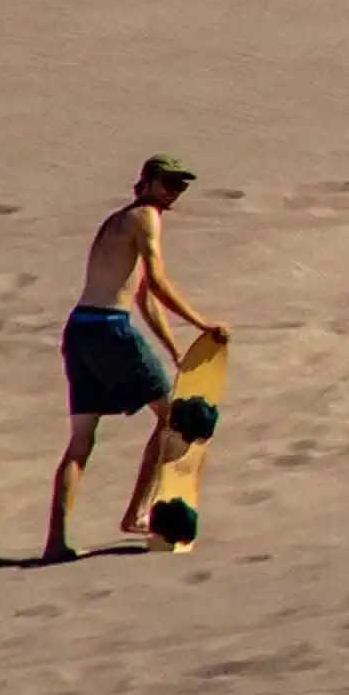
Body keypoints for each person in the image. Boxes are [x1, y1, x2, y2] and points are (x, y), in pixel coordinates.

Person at [43, 155, 227, 562]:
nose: (173, 192)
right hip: (109, 329)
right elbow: (158, 284)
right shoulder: (146, 217)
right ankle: (137, 514)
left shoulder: (117, 222)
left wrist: (176, 348)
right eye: (167, 184)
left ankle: (55, 543)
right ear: (145, 183)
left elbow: (143, 297)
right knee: (173, 418)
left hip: (80, 330)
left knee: (81, 441)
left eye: (180, 186)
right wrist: (203, 324)